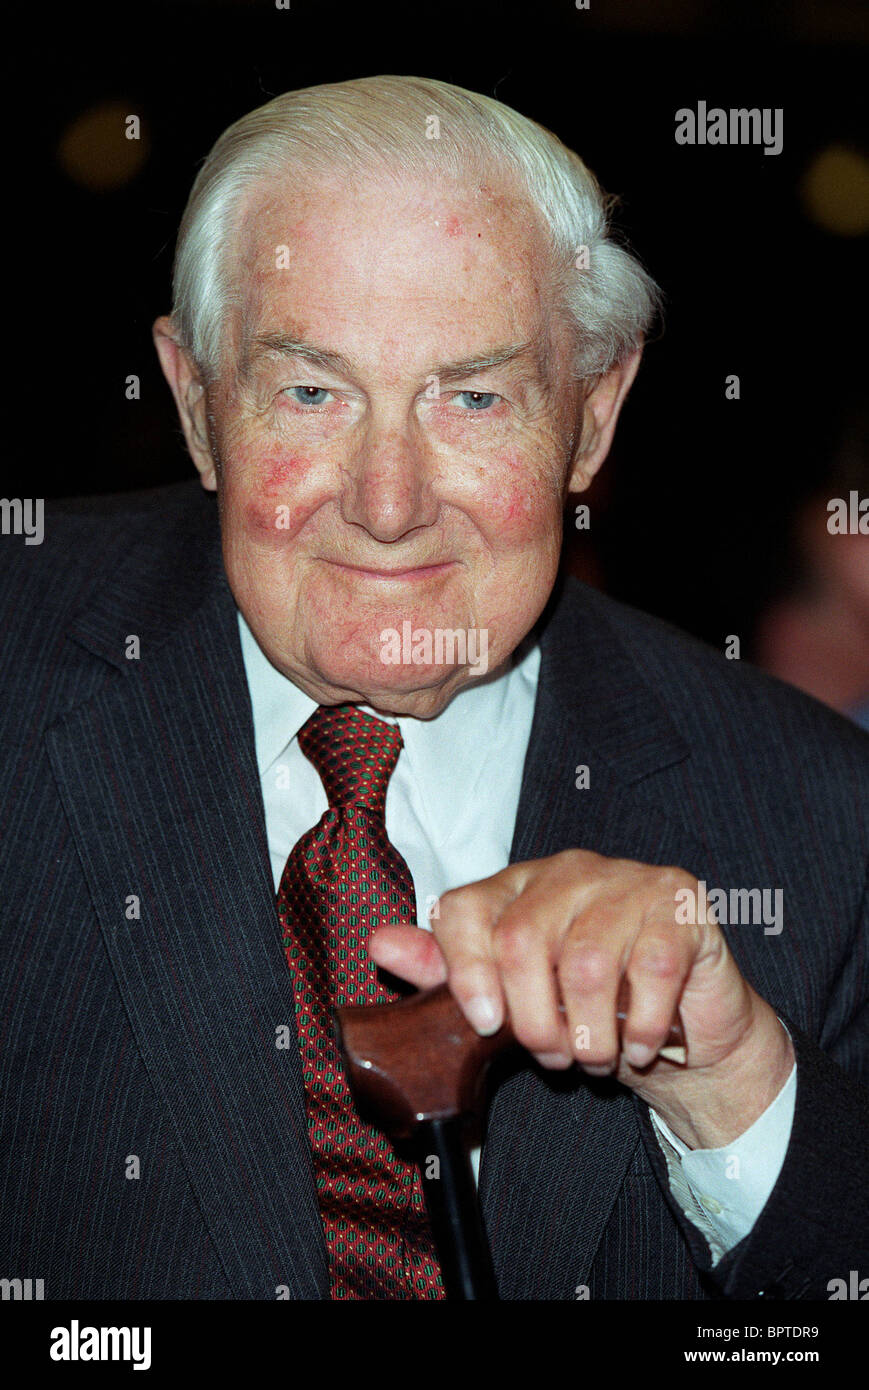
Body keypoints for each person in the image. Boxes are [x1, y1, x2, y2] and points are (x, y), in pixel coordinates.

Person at [1, 76, 866, 1302]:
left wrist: (729, 1084)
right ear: (196, 403)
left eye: (472, 396)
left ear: (591, 415)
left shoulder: (818, 820)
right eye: (311, 391)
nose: (389, 501)